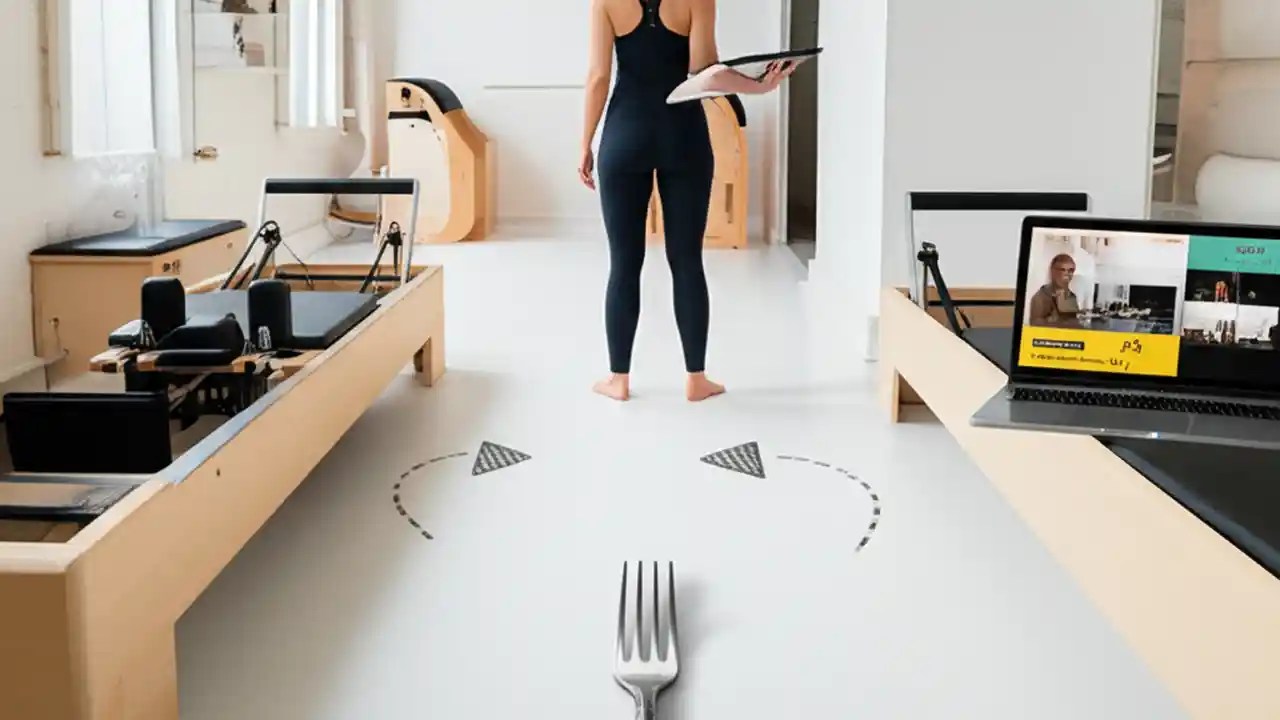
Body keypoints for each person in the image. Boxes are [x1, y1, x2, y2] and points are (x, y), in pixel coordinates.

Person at [579, 0, 794, 401]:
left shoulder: (605, 2)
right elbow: (706, 74)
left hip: (624, 138)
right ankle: (696, 379)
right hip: (684, 138)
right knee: (687, 261)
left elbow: (598, 78)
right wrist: (762, 85)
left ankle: (618, 379)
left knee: (624, 264)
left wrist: (585, 144)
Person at [1027, 253, 1081, 327]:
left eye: (1070, 270)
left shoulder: (1071, 296)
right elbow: (1036, 327)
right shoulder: (1041, 297)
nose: (1067, 274)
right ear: (1053, 271)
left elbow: (1074, 322)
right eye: (1062, 270)